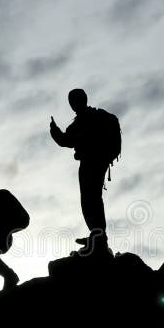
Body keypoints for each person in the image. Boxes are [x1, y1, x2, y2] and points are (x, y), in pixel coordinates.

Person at [50, 88, 121, 254]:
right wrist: (55, 130)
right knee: (90, 199)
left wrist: (54, 131)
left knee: (91, 199)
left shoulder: (89, 119)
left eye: (73, 101)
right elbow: (65, 140)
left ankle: (99, 237)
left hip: (93, 162)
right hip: (94, 162)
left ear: (81, 100)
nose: (72, 105)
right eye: (71, 102)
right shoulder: (88, 119)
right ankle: (96, 235)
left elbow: (65, 141)